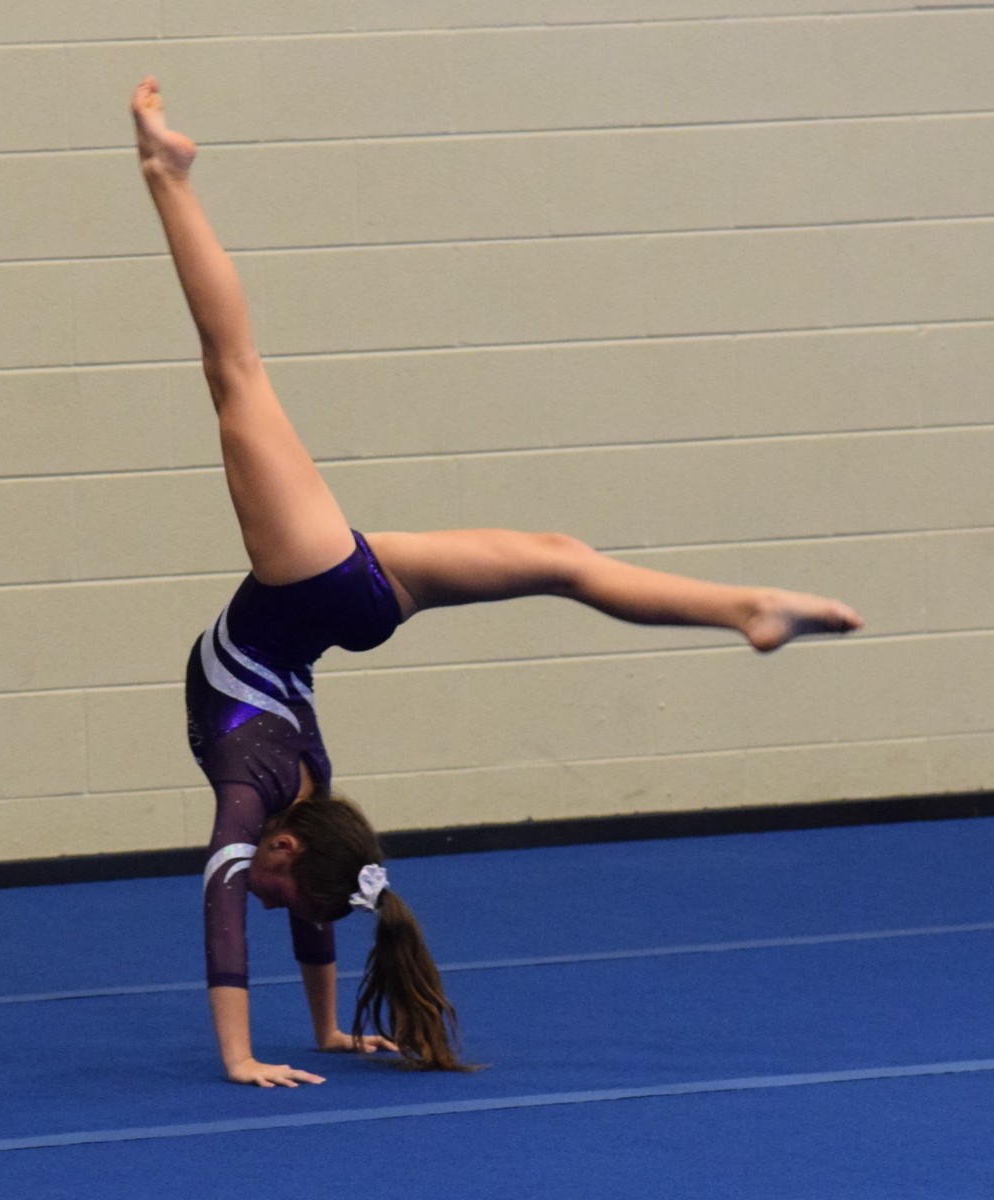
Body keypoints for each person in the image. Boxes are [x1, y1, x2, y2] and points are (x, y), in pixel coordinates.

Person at [130, 77, 864, 1088]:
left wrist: (267, 1048)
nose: (262, 898)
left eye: (279, 894)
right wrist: (284, 1040)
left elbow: (245, 903)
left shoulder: (279, 799)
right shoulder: (278, 802)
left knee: (539, 546)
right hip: (316, 589)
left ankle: (166, 174)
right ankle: (743, 609)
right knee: (240, 373)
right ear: (293, 848)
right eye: (281, 895)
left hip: (335, 597)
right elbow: (257, 903)